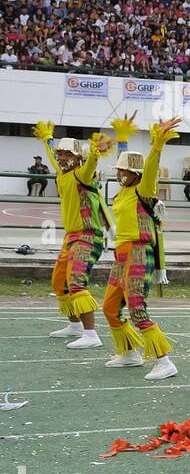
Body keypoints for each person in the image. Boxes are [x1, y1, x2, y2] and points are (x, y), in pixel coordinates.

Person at [102, 119, 181, 380]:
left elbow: (151, 169)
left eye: (124, 171)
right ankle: (129, 353)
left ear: (135, 174)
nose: (119, 173)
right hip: (120, 255)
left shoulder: (143, 189)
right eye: (119, 169)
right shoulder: (121, 193)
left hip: (138, 252)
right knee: (110, 308)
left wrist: (157, 144)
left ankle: (164, 361)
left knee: (137, 308)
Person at [34, 125, 108, 348]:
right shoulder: (61, 174)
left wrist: (95, 153)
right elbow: (52, 155)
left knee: (76, 281)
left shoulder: (82, 175)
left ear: (79, 159)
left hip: (88, 236)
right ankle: (75, 325)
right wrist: (47, 138)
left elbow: (91, 164)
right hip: (71, 237)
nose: (63, 158)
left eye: (69, 155)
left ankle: (91, 334)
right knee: (59, 281)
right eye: (61, 154)